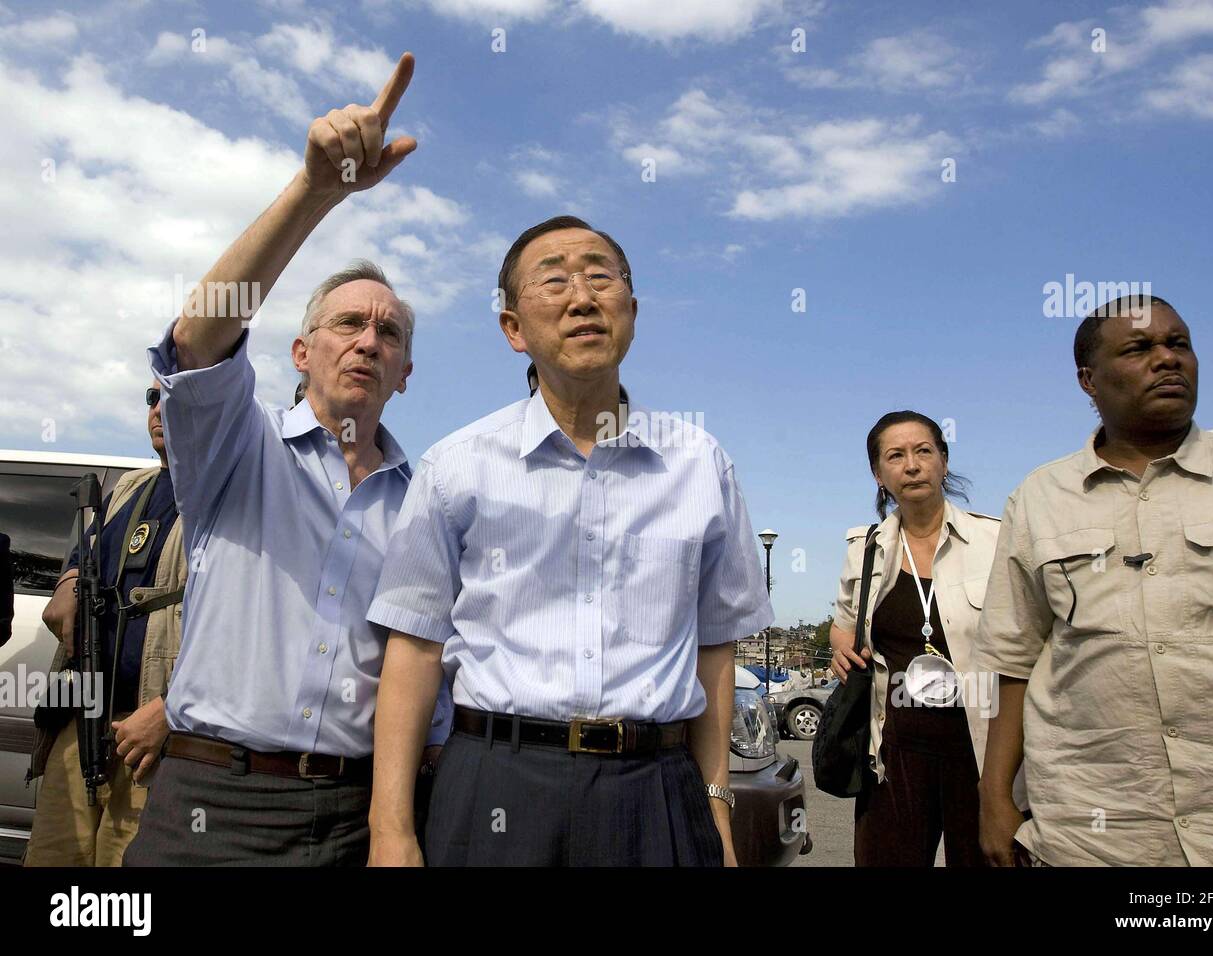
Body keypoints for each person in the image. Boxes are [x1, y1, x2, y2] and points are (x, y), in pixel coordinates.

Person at [365, 214, 773, 867]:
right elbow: (413, 650)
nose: (582, 297)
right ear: (512, 329)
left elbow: (716, 647)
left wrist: (716, 804)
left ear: (632, 310)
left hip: (657, 793)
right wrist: (391, 831)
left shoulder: (700, 464)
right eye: (553, 282)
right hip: (497, 783)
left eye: (600, 277)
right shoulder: (457, 467)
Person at [124, 53, 449, 866]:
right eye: (348, 324)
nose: (368, 341)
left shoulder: (431, 503)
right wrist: (316, 191)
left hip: (355, 812)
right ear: (301, 351)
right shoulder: (240, 446)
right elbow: (196, 341)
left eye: (390, 333)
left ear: (406, 374)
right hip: (211, 802)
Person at [975, 294, 1213, 866]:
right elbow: (1013, 662)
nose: (1167, 359)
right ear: (1088, 379)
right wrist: (994, 796)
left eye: (1179, 344)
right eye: (1140, 348)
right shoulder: (1039, 499)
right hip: (1096, 829)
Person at [828, 411, 1003, 867]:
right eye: (896, 456)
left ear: (943, 462)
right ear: (878, 474)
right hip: (894, 751)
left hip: (981, 748)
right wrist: (838, 642)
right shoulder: (864, 549)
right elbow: (846, 621)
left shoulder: (996, 540)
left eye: (924, 451)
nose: (912, 465)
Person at [25, 383, 185, 867]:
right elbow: (84, 556)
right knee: (55, 853)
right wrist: (69, 579)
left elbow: (239, 624)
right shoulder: (130, 486)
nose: (158, 409)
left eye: (172, 395)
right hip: (82, 713)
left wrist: (169, 710)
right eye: (151, 399)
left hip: (150, 732)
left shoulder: (222, 494)